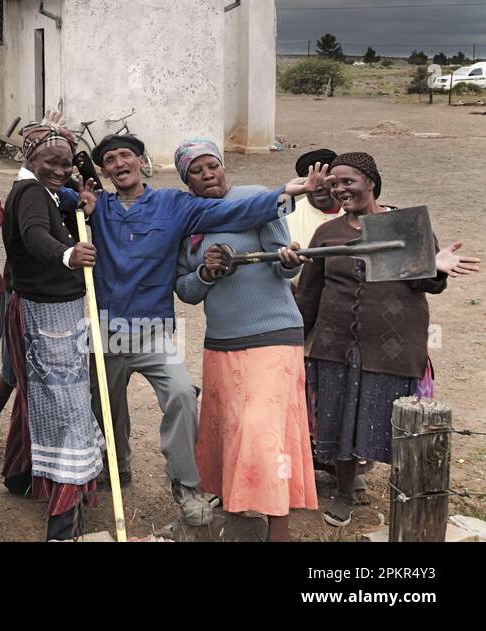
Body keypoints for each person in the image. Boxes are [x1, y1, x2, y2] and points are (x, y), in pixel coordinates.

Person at [85, 131, 329, 525]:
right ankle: (116, 466)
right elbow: (49, 203)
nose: (119, 164)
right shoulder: (95, 208)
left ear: (141, 159)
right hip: (106, 327)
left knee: (181, 393)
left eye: (125, 155)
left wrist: (287, 192)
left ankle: (185, 484)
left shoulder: (174, 205)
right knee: (104, 407)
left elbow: (236, 212)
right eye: (109, 160)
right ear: (103, 170)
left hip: (152, 329)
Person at [296, 151, 479, 527]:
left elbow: (427, 283)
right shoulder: (327, 234)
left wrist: (434, 264)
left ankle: (408, 492)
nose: (340, 189)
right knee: (341, 417)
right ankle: (345, 492)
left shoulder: (403, 227)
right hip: (335, 345)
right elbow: (309, 294)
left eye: (348, 181)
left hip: (391, 345)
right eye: (334, 184)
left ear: (371, 183)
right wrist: (295, 341)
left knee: (394, 422)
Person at [172, 138, 318, 542]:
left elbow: (284, 266)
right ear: (188, 182)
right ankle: (238, 509)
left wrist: (287, 260)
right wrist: (206, 272)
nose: (207, 176)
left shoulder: (257, 199)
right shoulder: (188, 222)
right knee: (232, 428)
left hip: (273, 332)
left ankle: (279, 527)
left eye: (212, 166)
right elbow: (185, 289)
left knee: (265, 429)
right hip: (222, 341)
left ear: (223, 167)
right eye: (196, 172)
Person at [0, 125, 105, 540]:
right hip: (46, 315)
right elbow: (34, 235)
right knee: (68, 407)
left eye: (66, 163)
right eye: (51, 162)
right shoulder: (28, 194)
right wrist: (68, 253)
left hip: (53, 311)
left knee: (41, 396)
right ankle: (63, 518)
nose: (60, 170)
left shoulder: (44, 192)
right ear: (28, 159)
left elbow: (57, 206)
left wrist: (79, 198)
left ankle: (19, 474)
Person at [285, 148, 341, 285]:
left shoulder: (356, 212)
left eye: (324, 179)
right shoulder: (287, 217)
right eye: (311, 180)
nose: (318, 187)